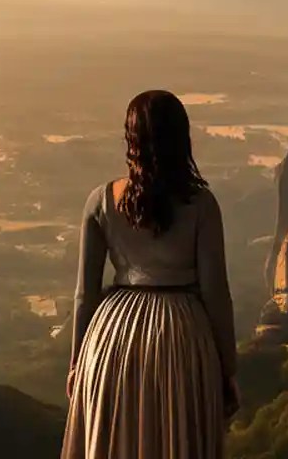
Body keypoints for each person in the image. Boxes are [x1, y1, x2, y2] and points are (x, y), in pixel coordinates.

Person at [61, 90, 239, 459]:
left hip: (112, 340)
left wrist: (78, 362)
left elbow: (84, 295)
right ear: (181, 137)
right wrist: (227, 369)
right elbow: (216, 293)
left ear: (131, 139)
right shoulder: (202, 205)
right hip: (184, 339)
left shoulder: (101, 200)